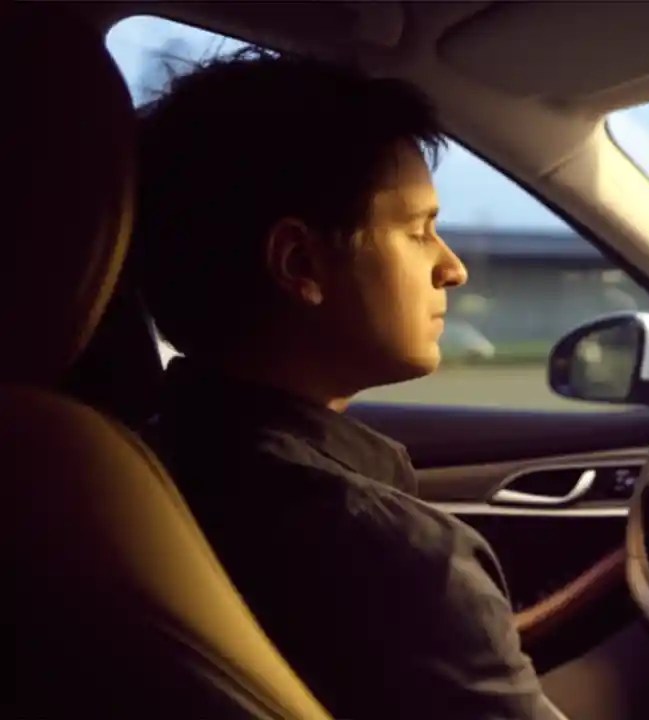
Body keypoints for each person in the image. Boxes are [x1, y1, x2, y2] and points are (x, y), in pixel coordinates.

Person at [135, 48, 560, 719]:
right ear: (300, 262)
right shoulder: (390, 552)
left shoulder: (141, 467)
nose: (452, 269)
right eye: (419, 231)